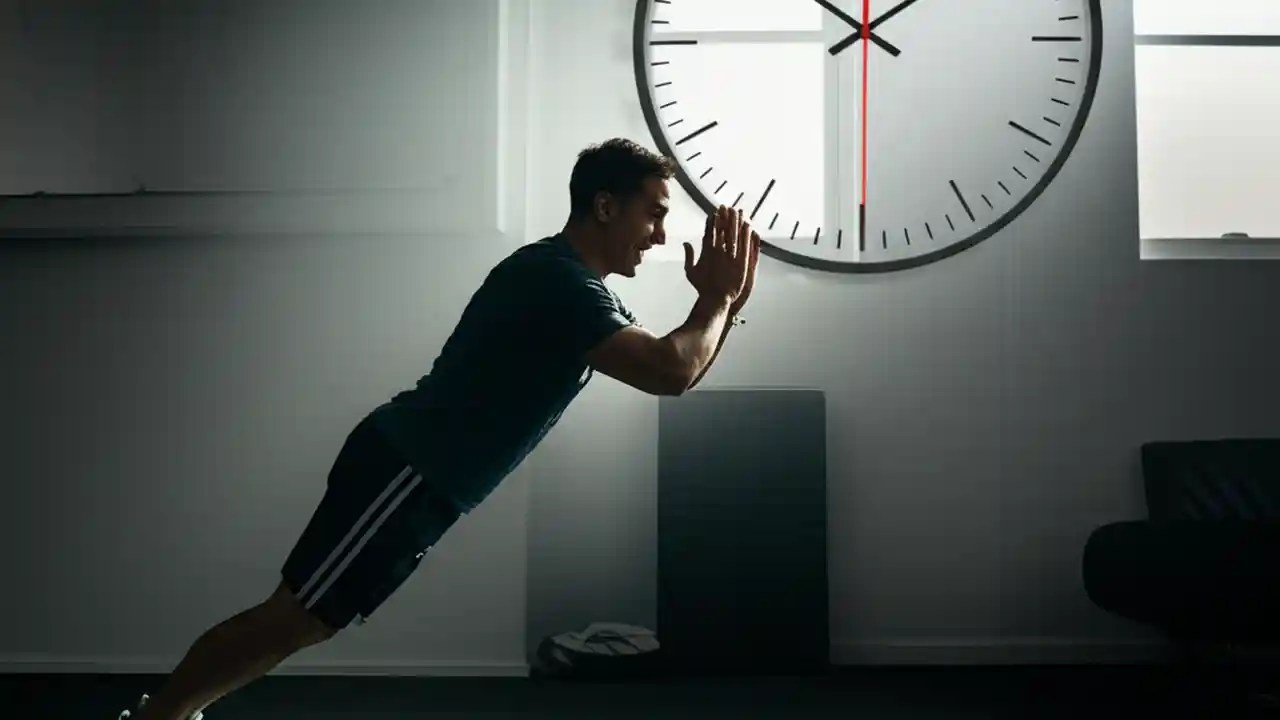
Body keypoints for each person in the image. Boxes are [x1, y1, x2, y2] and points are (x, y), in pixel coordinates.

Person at [118, 138, 760, 720]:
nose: (660, 234)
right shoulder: (557, 281)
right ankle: (160, 717)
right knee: (294, 616)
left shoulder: (580, 287)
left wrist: (722, 308)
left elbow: (679, 367)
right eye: (653, 213)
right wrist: (718, 300)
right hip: (406, 469)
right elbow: (670, 370)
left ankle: (168, 713)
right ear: (603, 207)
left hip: (420, 478)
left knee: (307, 620)